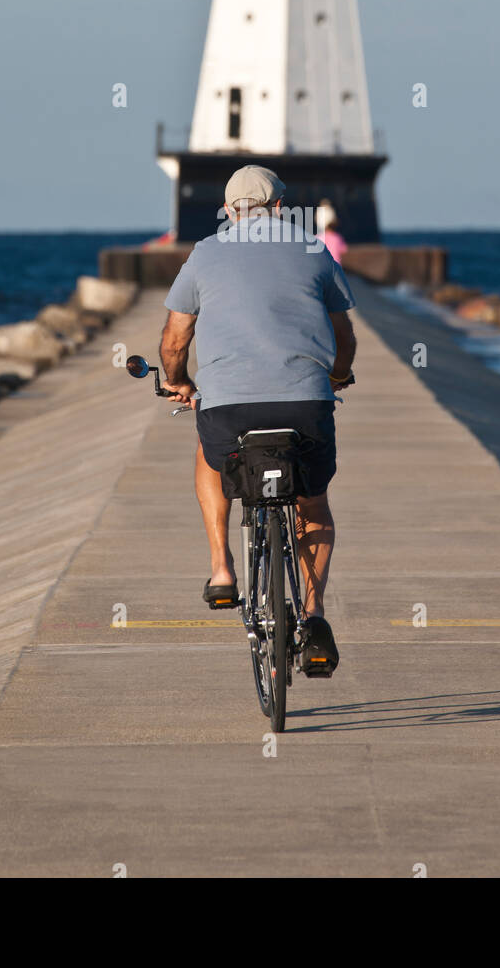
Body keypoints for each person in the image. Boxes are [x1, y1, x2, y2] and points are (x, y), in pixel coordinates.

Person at [159, 165, 357, 674]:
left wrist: (180, 382)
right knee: (313, 503)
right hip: (304, 406)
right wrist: (338, 376)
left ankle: (223, 570)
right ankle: (312, 618)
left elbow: (176, 340)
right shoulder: (313, 248)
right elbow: (344, 336)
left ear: (229, 211)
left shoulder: (205, 252)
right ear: (279, 207)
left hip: (228, 407)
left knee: (210, 458)